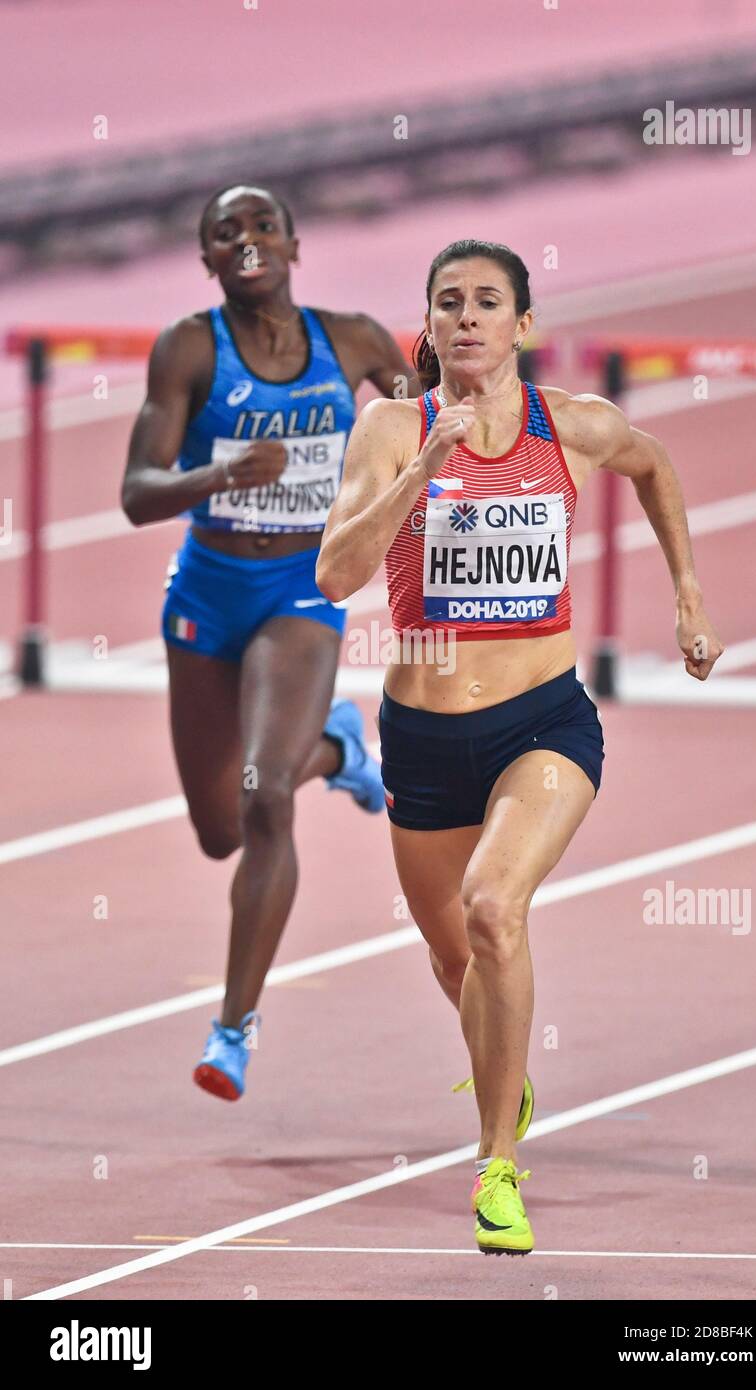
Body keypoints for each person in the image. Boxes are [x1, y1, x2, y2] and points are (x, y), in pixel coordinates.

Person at [316, 238, 724, 1254]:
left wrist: (685, 589)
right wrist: (422, 472)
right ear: (427, 323)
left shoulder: (570, 425)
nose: (466, 317)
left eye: (487, 301)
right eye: (447, 301)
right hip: (421, 736)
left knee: (493, 909)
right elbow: (334, 574)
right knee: (455, 960)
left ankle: (495, 1164)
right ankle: (507, 1077)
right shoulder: (391, 429)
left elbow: (652, 462)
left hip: (540, 722)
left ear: (521, 324)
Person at [121, 183, 419, 1101]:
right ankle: (336, 746)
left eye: (261, 226)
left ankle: (232, 1029)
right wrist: (216, 474)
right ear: (207, 259)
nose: (245, 240)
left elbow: (428, 431)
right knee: (219, 833)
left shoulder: (355, 342)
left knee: (264, 801)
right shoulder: (188, 349)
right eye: (225, 232)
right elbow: (135, 492)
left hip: (301, 589)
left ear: (294, 244)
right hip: (207, 596)